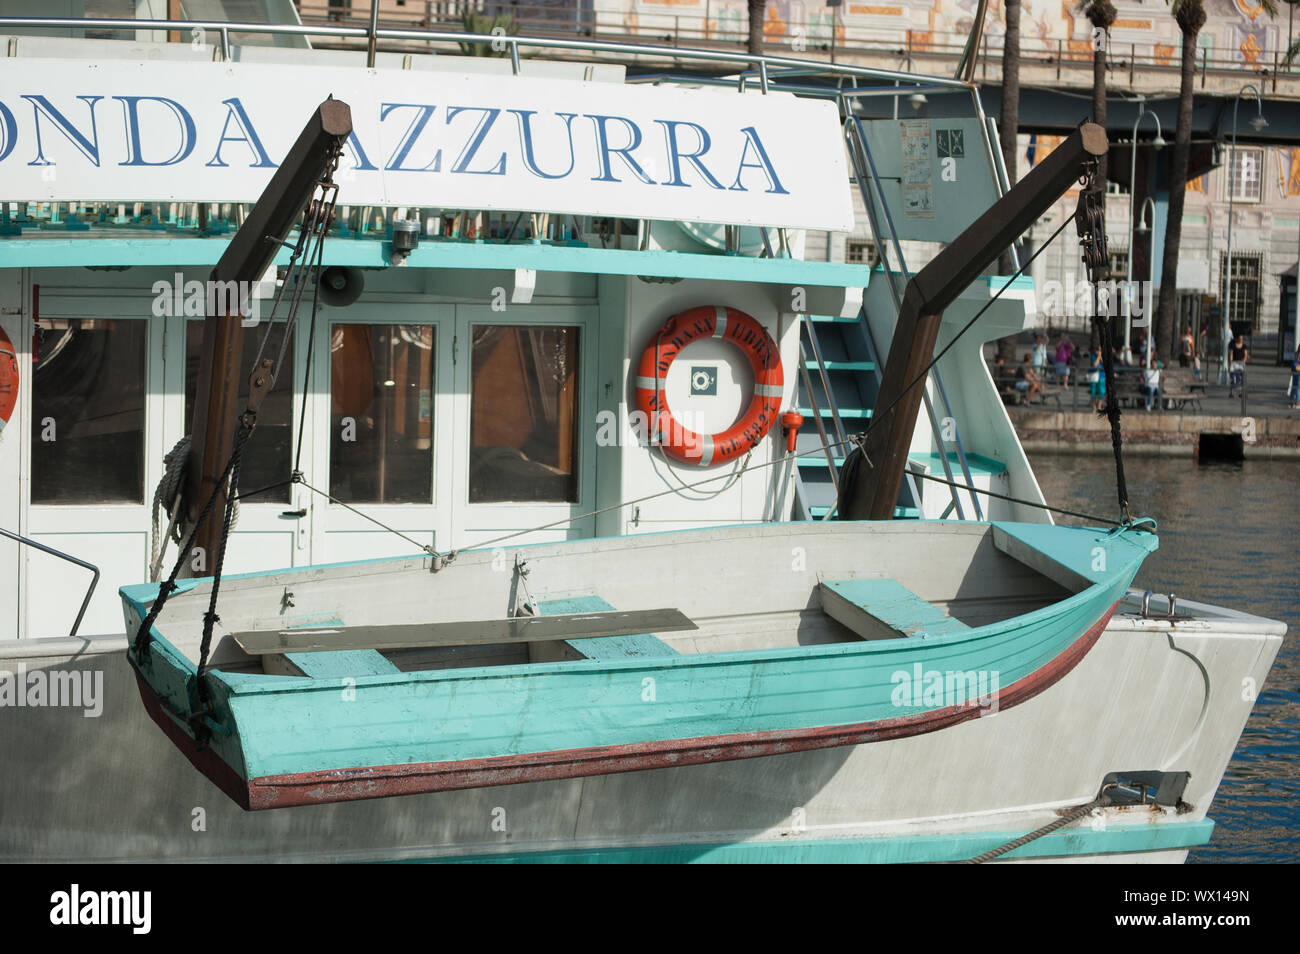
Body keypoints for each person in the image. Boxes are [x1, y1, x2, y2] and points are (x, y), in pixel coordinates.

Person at [1228, 333, 1249, 397]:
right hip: (1234, 363)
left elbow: (1246, 354)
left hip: (1241, 363)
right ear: (1237, 339)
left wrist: (1244, 361)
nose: (1241, 340)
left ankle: (1241, 392)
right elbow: (1231, 354)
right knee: (1233, 378)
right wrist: (1230, 362)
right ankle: (1231, 392)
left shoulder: (1244, 346)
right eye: (1240, 339)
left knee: (1241, 378)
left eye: (1242, 339)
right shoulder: (1233, 346)